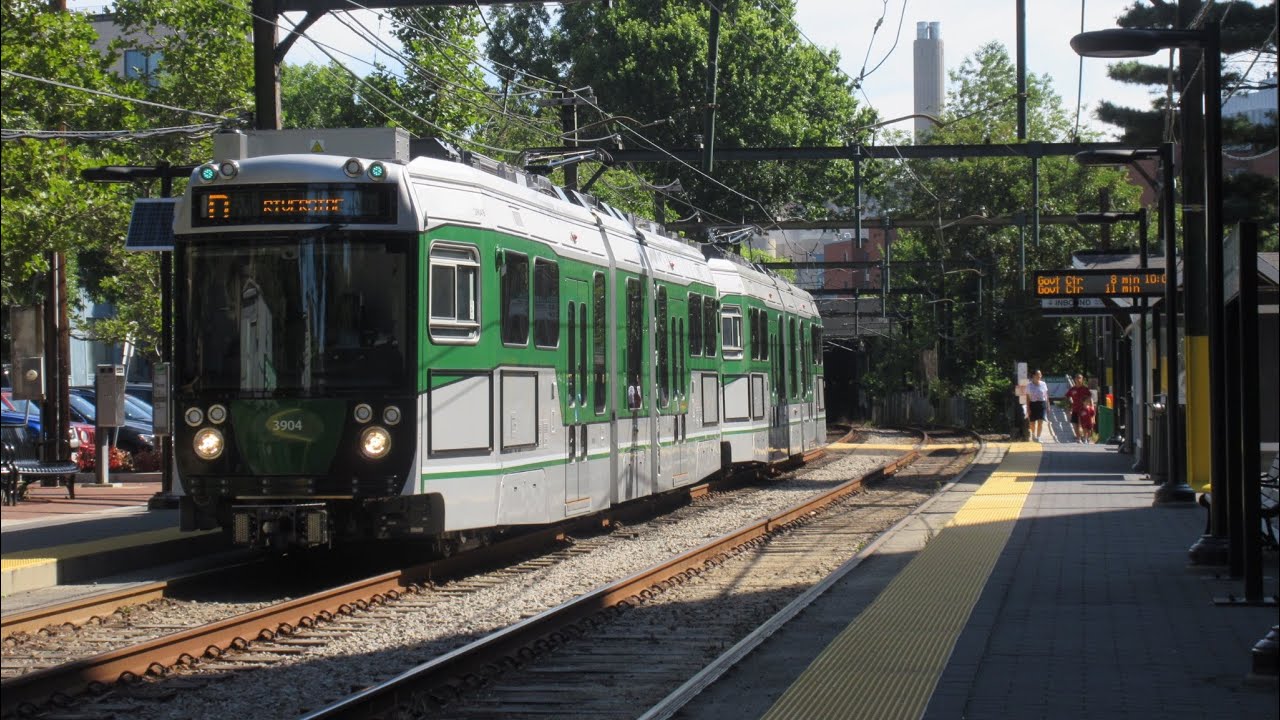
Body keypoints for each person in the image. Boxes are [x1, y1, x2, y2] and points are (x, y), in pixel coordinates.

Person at [1065, 373, 1092, 443]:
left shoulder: (1085, 389)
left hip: (1084, 410)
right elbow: (1067, 397)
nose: (1078, 380)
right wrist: (1069, 406)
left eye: (1080, 378)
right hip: (1075, 409)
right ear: (1075, 379)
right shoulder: (1072, 389)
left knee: (1085, 425)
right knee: (1075, 424)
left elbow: (1090, 398)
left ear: (1082, 379)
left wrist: (1091, 407)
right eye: (1077, 378)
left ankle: (1086, 437)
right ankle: (1078, 437)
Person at [1025, 369, 1050, 442]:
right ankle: (1033, 434)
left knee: (1040, 421)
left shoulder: (1043, 384)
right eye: (1038, 374)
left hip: (1042, 404)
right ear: (1033, 376)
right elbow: (1027, 398)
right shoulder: (1029, 385)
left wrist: (1048, 405)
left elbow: (1046, 395)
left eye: (1040, 374)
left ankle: (1038, 437)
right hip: (1033, 404)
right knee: (1032, 422)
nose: (1039, 376)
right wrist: (1028, 408)